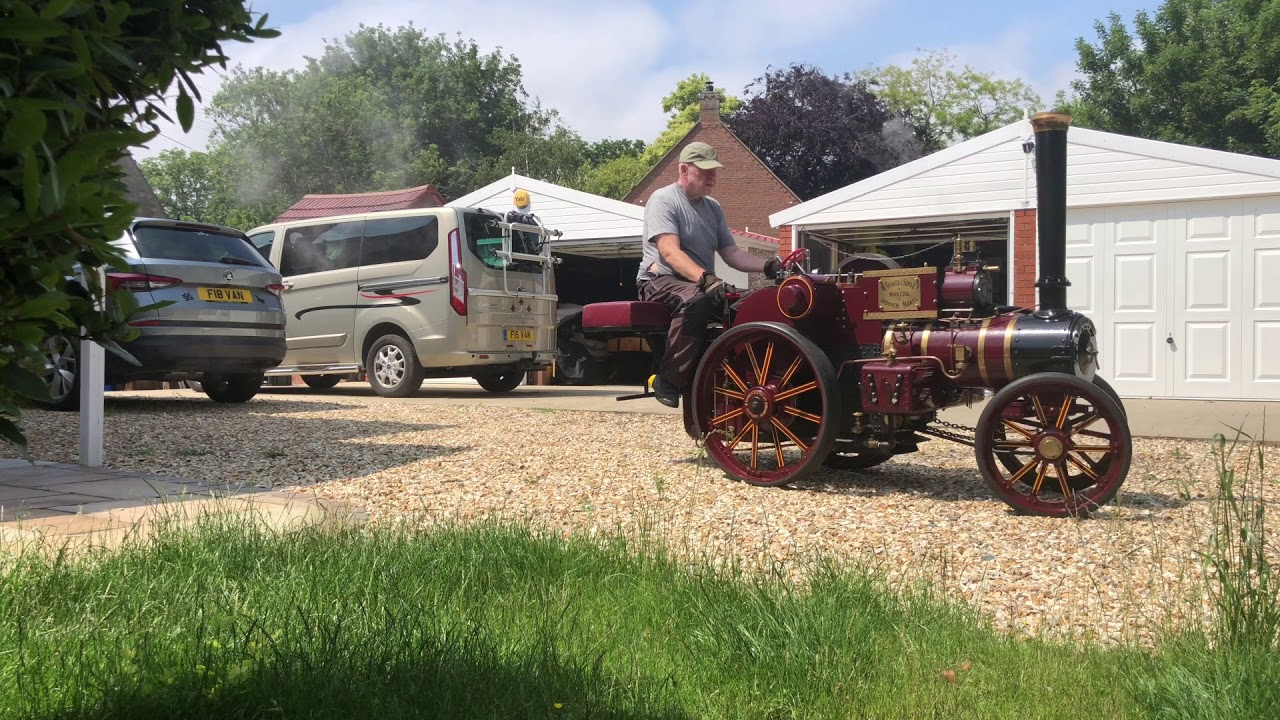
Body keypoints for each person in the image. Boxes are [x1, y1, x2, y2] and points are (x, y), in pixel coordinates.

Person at [635, 141, 783, 408]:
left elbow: (732, 254)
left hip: (699, 282)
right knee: (697, 300)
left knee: (751, 303)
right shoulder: (663, 200)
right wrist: (706, 278)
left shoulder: (712, 207)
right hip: (659, 280)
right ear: (684, 171)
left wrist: (769, 266)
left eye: (714, 170)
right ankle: (668, 378)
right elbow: (669, 253)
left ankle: (741, 379)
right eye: (705, 170)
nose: (712, 175)